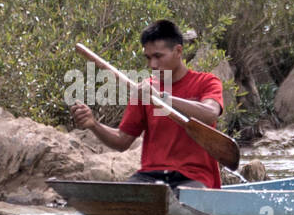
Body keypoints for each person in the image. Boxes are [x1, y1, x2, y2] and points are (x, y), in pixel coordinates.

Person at [69, 20, 225, 189]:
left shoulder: (206, 82)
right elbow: (122, 141)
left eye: (158, 56)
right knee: (120, 198)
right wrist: (94, 124)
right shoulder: (145, 89)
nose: (153, 65)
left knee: (182, 197)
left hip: (193, 178)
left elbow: (210, 113)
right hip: (150, 176)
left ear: (178, 51)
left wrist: (162, 98)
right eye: (148, 58)